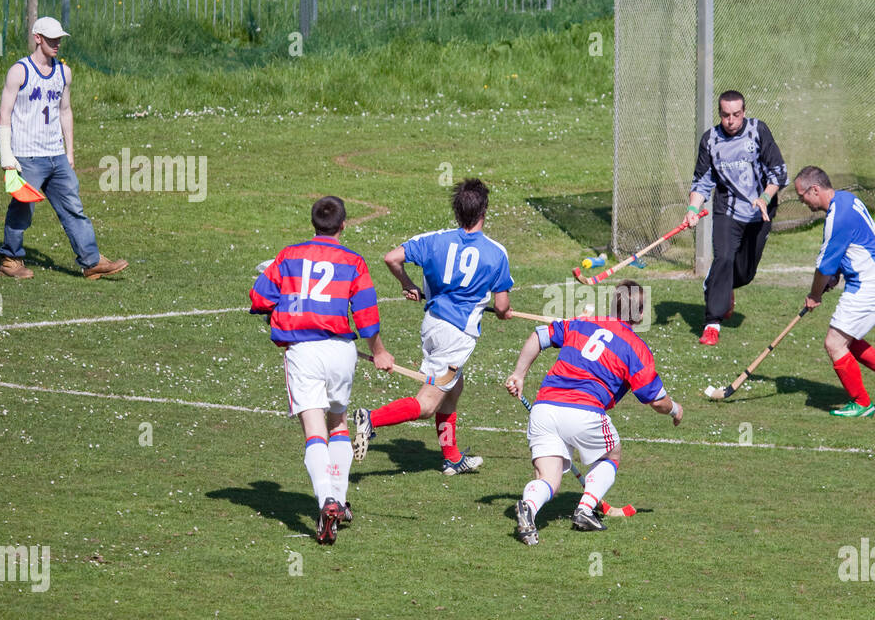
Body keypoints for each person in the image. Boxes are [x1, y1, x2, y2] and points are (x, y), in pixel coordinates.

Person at [249, 196, 395, 545]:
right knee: (339, 423)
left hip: (304, 352)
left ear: (312, 223)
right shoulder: (354, 261)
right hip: (341, 351)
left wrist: (278, 308)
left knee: (315, 431)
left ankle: (326, 499)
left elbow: (259, 298)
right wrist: (379, 352)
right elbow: (367, 317)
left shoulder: (288, 255)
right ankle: (340, 500)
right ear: (343, 225)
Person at [352, 178, 513, 474]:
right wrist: (504, 313)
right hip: (456, 335)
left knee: (454, 386)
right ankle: (371, 418)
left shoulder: (434, 239)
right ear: (484, 211)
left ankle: (451, 458)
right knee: (427, 405)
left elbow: (391, 258)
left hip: (434, 325)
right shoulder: (496, 252)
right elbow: (501, 307)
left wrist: (408, 283)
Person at [504, 280, 683, 545]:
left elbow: (539, 336)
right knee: (612, 453)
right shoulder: (636, 348)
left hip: (544, 408)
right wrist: (676, 410)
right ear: (641, 314)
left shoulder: (581, 323)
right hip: (584, 411)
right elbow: (656, 401)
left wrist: (519, 375)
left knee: (548, 477)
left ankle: (528, 507)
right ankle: (585, 509)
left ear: (612, 305)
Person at [0, 17, 128, 280]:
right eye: (51, 38)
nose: (57, 43)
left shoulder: (63, 73)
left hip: (56, 155)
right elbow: (4, 114)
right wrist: (7, 156)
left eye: (59, 39)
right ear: (37, 38)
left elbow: (65, 111)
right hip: (27, 156)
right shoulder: (19, 71)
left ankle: (91, 262)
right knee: (22, 209)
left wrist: (69, 152)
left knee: (73, 208)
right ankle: (10, 259)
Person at [794, 166, 875, 418]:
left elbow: (822, 267)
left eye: (802, 197)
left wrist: (815, 295)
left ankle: (862, 403)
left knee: (834, 343)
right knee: (848, 338)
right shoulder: (847, 199)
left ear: (815, 189)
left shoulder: (837, 217)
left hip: (869, 286)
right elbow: (854, 246)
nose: (803, 202)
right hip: (873, 280)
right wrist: (837, 275)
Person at [684, 90, 787, 346]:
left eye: (736, 115)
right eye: (725, 115)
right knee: (724, 258)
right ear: (720, 114)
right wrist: (693, 210)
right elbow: (701, 182)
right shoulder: (711, 140)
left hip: (759, 212)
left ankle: (718, 282)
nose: (730, 120)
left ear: (744, 112)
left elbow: (778, 172)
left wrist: (764, 198)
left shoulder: (758, 131)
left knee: (745, 273)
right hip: (727, 211)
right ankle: (712, 323)